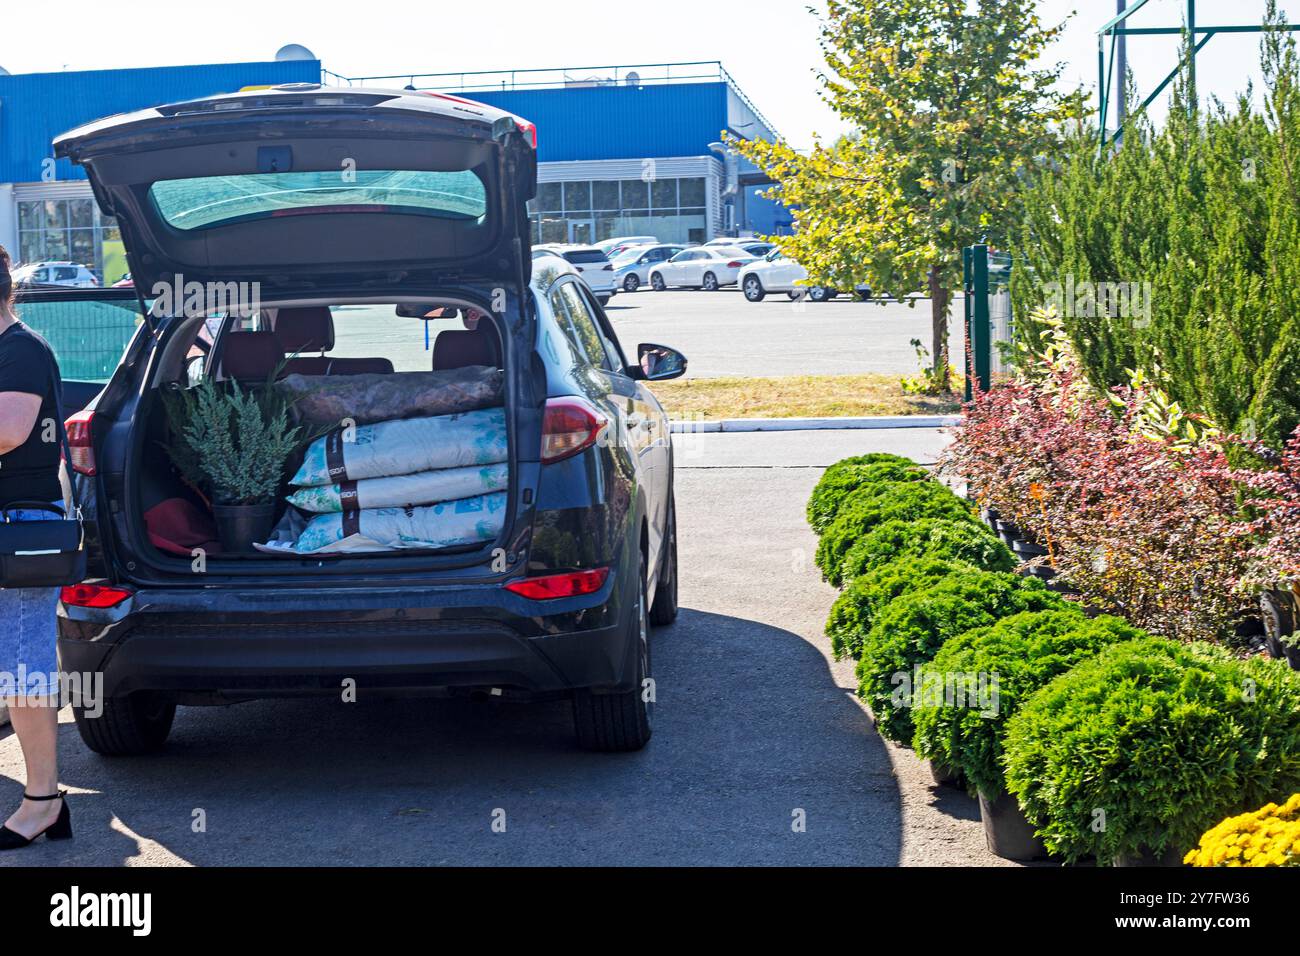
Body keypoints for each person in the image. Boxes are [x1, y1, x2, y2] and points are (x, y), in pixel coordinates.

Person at [0, 245, 73, 849]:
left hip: (20, 525)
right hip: (9, 523)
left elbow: (9, 432)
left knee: (23, 664)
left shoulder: (20, 350)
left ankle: (43, 800)